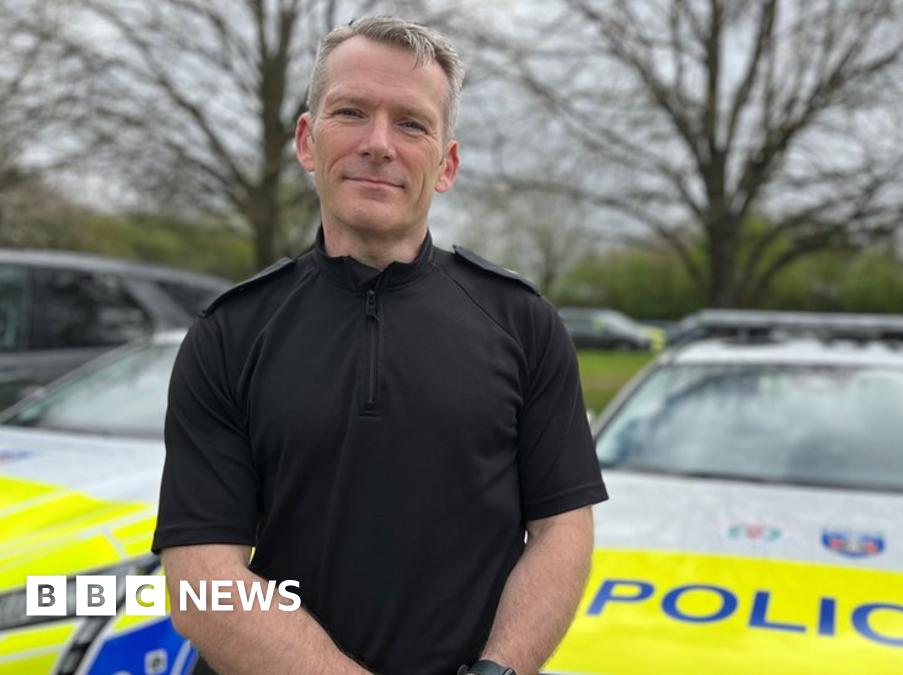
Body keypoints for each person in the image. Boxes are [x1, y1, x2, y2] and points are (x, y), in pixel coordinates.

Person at [151, 17, 607, 675]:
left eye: (413, 124)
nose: (378, 144)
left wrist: (498, 669)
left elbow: (563, 531)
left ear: (446, 164)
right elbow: (200, 577)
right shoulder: (228, 332)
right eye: (351, 112)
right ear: (308, 142)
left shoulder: (526, 323)